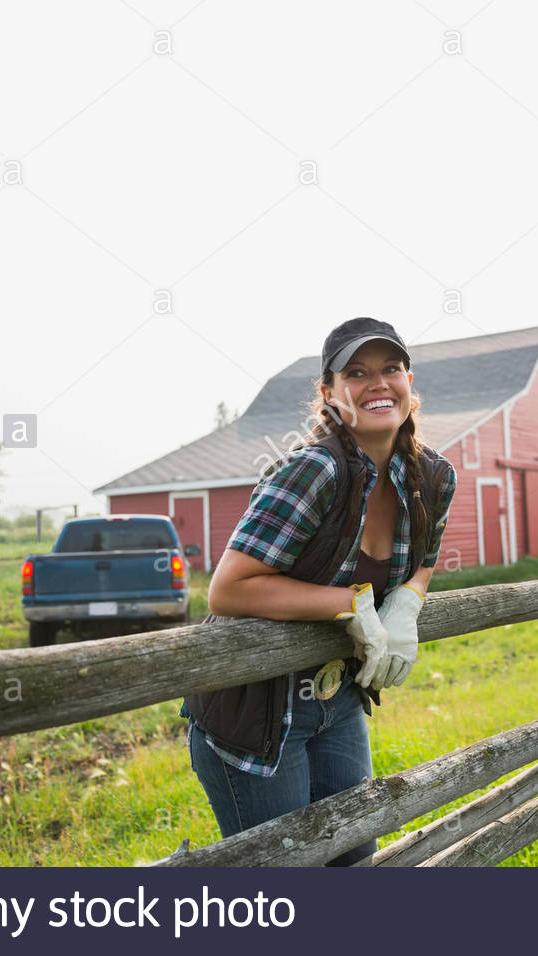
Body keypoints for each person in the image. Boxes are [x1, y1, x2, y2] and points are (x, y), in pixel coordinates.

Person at [179, 317, 457, 866]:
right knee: (288, 875)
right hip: (257, 711)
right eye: (357, 372)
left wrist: (406, 602)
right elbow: (228, 590)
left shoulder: (430, 477)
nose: (379, 383)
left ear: (409, 381)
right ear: (330, 394)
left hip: (338, 699)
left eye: (391, 369)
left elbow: (423, 562)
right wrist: (348, 604)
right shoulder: (312, 471)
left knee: (354, 860)